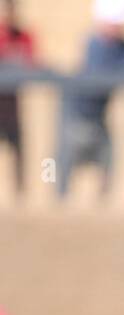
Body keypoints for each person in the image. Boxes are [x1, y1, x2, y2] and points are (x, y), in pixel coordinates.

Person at [59, 0, 124, 200]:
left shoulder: (123, 47)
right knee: (65, 165)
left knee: (107, 166)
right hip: (76, 115)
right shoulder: (90, 43)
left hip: (100, 117)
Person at [0, 0, 36, 196]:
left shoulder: (24, 36)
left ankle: (20, 195)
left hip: (13, 107)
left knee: (19, 153)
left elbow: (31, 63)